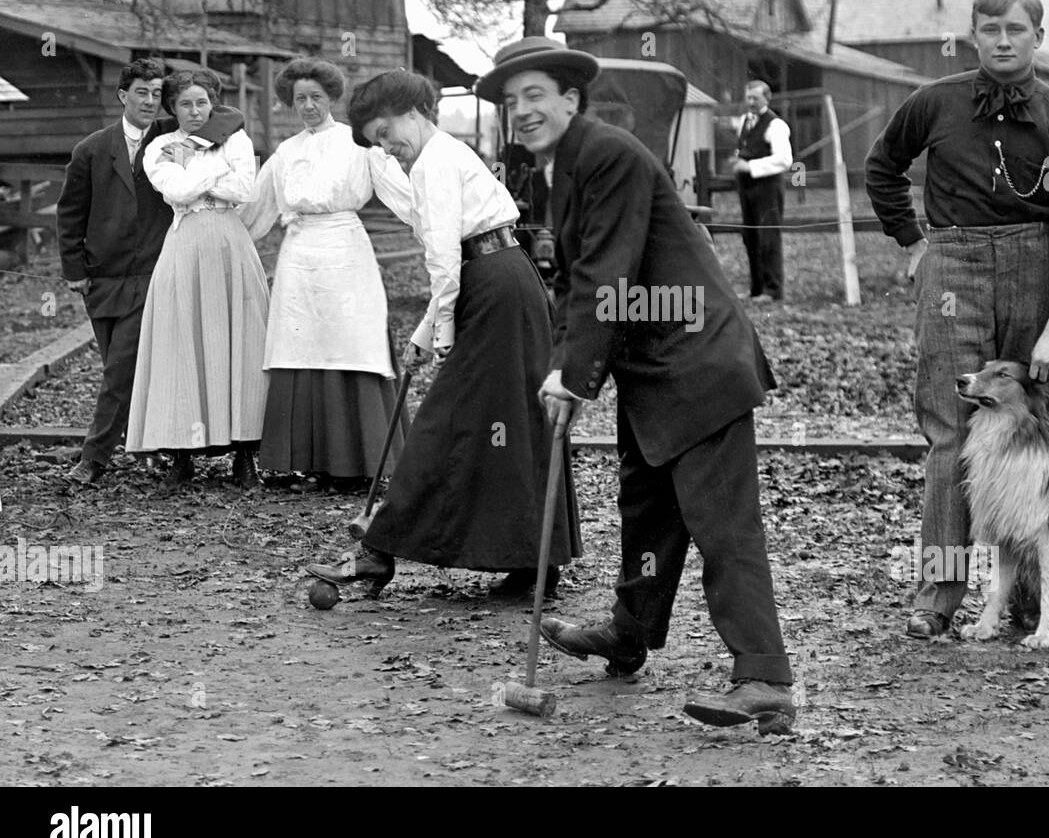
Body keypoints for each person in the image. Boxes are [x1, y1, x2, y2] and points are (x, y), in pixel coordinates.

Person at [476, 37, 796, 735]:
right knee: (647, 509)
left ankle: (765, 678)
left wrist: (575, 375)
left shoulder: (607, 155)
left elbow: (606, 278)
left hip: (698, 364)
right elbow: (576, 281)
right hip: (653, 368)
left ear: (570, 99)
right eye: (510, 102)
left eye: (535, 96)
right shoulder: (567, 167)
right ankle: (629, 632)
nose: (521, 112)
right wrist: (565, 364)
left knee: (722, 525)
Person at [863, 0, 1049, 639]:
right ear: (974, 36)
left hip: (1035, 270)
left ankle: (1032, 598)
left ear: (1037, 38)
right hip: (953, 270)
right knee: (949, 436)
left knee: (1038, 438)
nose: (1003, 40)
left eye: (1016, 30)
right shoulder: (935, 103)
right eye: (990, 28)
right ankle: (937, 595)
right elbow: (882, 167)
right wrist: (912, 241)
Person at [305, 70, 580, 598]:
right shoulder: (444, 154)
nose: (389, 147)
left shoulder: (434, 162)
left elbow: (444, 260)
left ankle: (378, 552)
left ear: (413, 112)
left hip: (494, 291)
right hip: (504, 282)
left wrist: (442, 335)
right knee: (508, 421)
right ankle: (531, 561)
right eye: (379, 142)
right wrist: (427, 332)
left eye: (387, 133)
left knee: (444, 421)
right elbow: (453, 261)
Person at [57, 58, 245, 486]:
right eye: (141, 92)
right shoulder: (91, 149)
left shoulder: (170, 137)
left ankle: (93, 459)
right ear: (123, 96)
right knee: (120, 367)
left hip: (156, 270)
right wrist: (75, 270)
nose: (149, 100)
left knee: (121, 369)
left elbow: (229, 116)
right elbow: (70, 213)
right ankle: (147, 449)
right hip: (103, 277)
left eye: (157, 93)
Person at [240, 58, 409, 492]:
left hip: (346, 253)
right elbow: (255, 211)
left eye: (317, 97)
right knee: (301, 348)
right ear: (290, 104)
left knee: (350, 345)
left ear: (332, 98)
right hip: (299, 257)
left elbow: (404, 195)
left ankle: (360, 464)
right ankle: (308, 463)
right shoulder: (286, 152)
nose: (309, 106)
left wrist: (446, 225)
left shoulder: (359, 145)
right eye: (300, 99)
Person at [126, 68, 270, 491]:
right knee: (182, 345)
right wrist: (210, 167)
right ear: (171, 108)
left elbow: (245, 188)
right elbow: (179, 193)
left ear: (213, 104)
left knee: (241, 344)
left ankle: (245, 458)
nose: (194, 111)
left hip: (230, 245)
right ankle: (182, 457)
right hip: (184, 246)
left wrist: (196, 163)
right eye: (184, 104)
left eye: (202, 103)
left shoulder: (237, 138)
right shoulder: (159, 147)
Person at [732, 79, 792, 303]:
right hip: (747, 188)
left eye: (755, 98)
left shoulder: (776, 125)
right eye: (748, 97)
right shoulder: (744, 121)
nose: (750, 102)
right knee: (750, 236)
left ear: (767, 99)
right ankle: (756, 288)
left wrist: (751, 166)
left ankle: (773, 290)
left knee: (768, 237)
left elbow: (785, 160)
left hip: (768, 188)